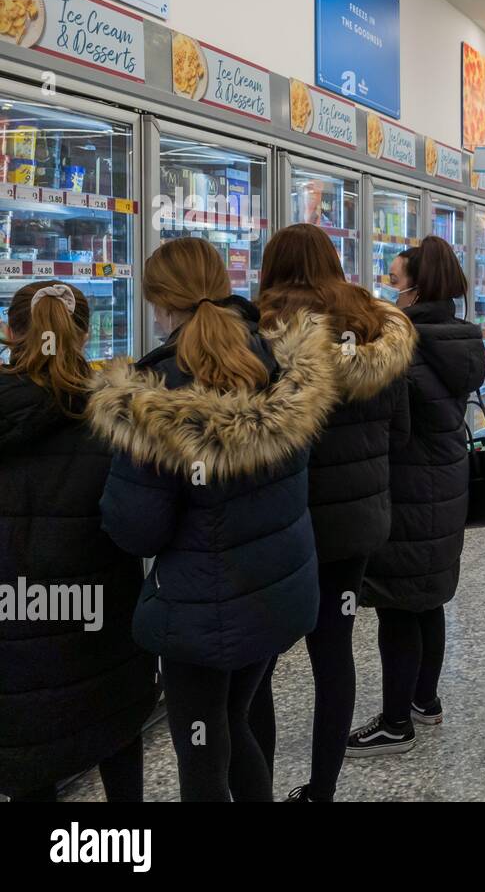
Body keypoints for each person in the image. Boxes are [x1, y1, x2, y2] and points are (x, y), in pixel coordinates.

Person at [86, 237, 338, 802]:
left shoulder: (156, 396)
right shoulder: (275, 363)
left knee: (201, 748)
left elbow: (137, 529)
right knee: (233, 720)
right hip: (277, 591)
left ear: (161, 303)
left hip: (203, 609)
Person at [253, 224, 415, 802]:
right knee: (334, 649)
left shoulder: (261, 334)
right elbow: (402, 434)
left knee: (259, 665)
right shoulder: (373, 331)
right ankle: (322, 790)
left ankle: (257, 789)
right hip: (355, 528)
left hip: (280, 526)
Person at [0, 282, 158, 803]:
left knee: (27, 761)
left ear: (8, 332)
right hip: (103, 625)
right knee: (117, 739)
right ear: (85, 336)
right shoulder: (114, 415)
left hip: (15, 637)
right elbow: (137, 528)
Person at [346, 236, 484, 757]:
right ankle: (425, 700)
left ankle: (396, 722)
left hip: (408, 485)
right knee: (430, 596)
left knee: (399, 607)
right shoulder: (458, 334)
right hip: (445, 481)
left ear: (414, 288)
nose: (388, 289)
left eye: (393, 279)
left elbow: (396, 430)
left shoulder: (403, 342)